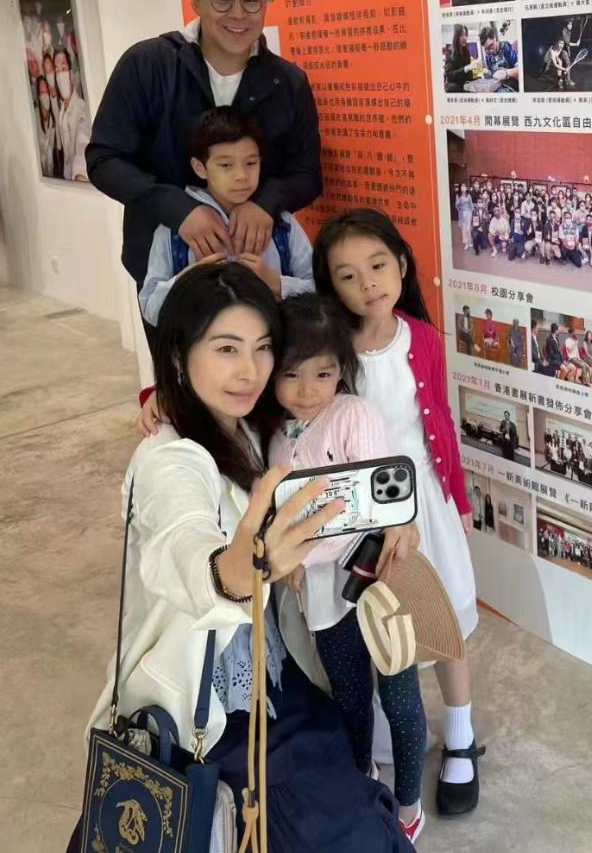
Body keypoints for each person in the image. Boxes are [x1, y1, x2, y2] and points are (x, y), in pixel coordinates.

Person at [75, 262, 413, 853]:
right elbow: (186, 546)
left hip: (280, 680)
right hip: (208, 716)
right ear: (180, 354)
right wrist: (242, 570)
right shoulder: (168, 461)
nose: (250, 370)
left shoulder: (257, 429)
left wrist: (395, 514)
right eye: (227, 348)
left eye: (262, 349)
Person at [312, 208, 486, 815]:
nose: (368, 285)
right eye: (348, 276)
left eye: (379, 266)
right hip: (366, 517)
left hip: (427, 506)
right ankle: (386, 736)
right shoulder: (329, 349)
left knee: (448, 623)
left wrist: (459, 500)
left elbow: (440, 422)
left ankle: (461, 739)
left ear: (402, 266)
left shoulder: (424, 338)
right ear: (328, 285)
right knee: (382, 629)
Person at [87, 0, 322, 314]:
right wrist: (177, 208)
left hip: (261, 277)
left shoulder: (287, 81)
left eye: (251, 0)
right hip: (169, 272)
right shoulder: (148, 65)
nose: (239, 14)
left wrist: (265, 203)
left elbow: (307, 173)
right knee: (183, 370)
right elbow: (104, 159)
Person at [269, 295, 427, 841]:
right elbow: (282, 520)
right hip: (321, 594)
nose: (307, 388)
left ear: (342, 369)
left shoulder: (353, 413)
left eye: (323, 372)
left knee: (401, 696)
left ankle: (408, 806)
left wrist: (303, 543)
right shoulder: (275, 439)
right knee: (349, 694)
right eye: (290, 374)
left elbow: (377, 503)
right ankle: (361, 780)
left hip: (375, 580)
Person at [138, 108, 313, 326]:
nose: (241, 176)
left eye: (251, 163)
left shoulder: (282, 224)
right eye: (226, 165)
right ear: (200, 168)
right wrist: (189, 281)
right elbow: (150, 308)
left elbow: (321, 292)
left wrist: (276, 283)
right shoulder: (176, 230)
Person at [54, 46, 90, 182]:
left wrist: (80, 172)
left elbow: (83, 139)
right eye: (56, 70)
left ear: (70, 74)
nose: (59, 74)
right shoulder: (62, 107)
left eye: (63, 68)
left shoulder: (80, 106)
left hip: (77, 177)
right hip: (66, 175)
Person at [34, 74, 61, 178]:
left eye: (46, 90)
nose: (44, 94)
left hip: (50, 173)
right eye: (41, 92)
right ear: (38, 96)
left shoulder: (52, 118)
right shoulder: (35, 116)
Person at [479, 25, 520, 91]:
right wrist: (488, 74)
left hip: (511, 87)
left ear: (495, 38)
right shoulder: (488, 57)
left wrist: (506, 72)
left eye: (491, 45)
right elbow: (492, 75)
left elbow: (519, 70)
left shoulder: (505, 47)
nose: (490, 51)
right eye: (487, 49)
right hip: (498, 88)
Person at [445, 24, 477, 92]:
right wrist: (465, 69)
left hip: (465, 84)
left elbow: (469, 75)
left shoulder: (467, 52)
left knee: (480, 80)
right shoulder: (449, 53)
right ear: (456, 37)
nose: (464, 38)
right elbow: (450, 76)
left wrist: (472, 83)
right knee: (451, 88)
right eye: (461, 35)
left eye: (465, 35)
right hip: (455, 85)